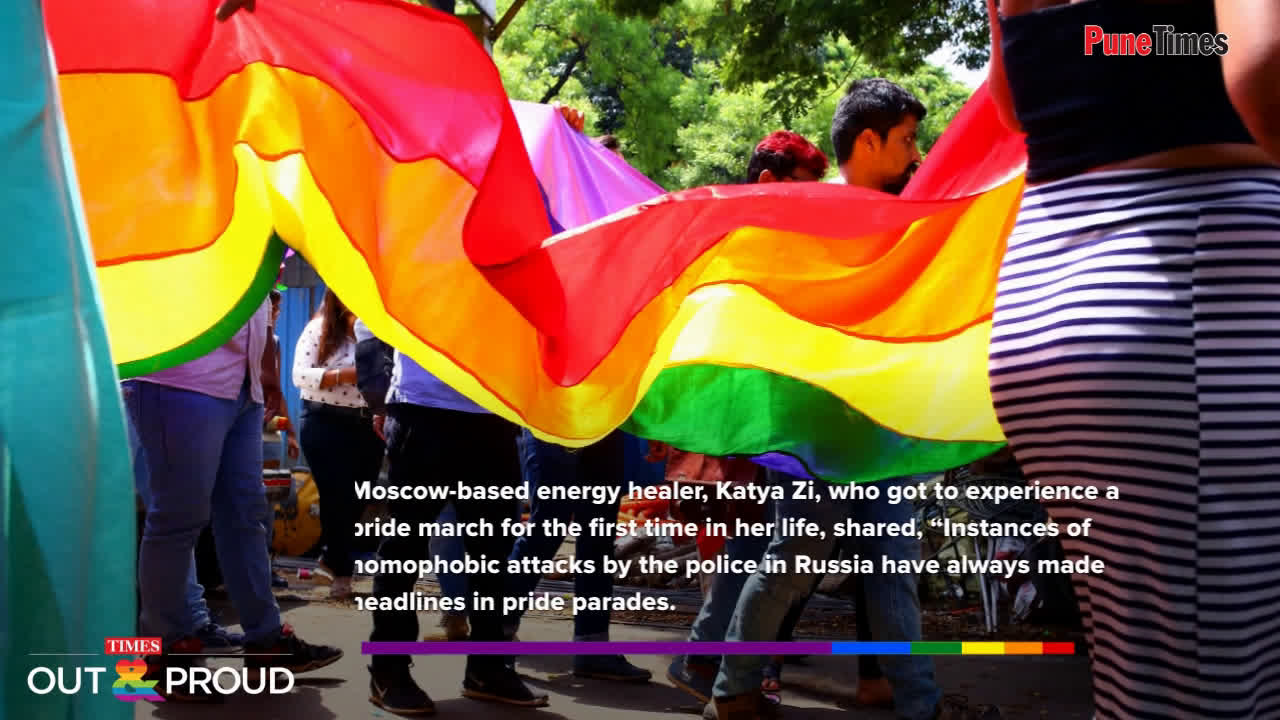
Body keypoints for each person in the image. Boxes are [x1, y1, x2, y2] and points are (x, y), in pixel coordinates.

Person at [985, 2, 1280, 719]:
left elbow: (1014, 100)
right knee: (1214, 680)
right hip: (1193, 288)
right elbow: (1260, 63)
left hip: (1056, 296)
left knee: (1147, 674)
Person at [125, 299, 342, 701]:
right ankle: (164, 654)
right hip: (180, 378)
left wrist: (266, 374)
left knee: (245, 517)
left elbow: (255, 296)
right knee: (178, 517)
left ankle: (266, 640)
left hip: (244, 386)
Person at [363, 347, 547, 713]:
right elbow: (373, 320)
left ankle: (487, 669)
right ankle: (388, 670)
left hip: (493, 413)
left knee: (492, 555)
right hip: (423, 409)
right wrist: (378, 395)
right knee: (404, 550)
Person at [502, 428, 652, 682]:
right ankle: (496, 640)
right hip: (554, 416)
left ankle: (592, 648)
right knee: (548, 527)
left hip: (606, 419)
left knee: (599, 534)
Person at [293, 289, 383, 600]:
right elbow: (299, 376)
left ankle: (330, 559)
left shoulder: (377, 330)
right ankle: (341, 574)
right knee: (335, 495)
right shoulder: (319, 330)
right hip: (324, 422)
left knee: (359, 496)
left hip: (367, 423)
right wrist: (345, 375)